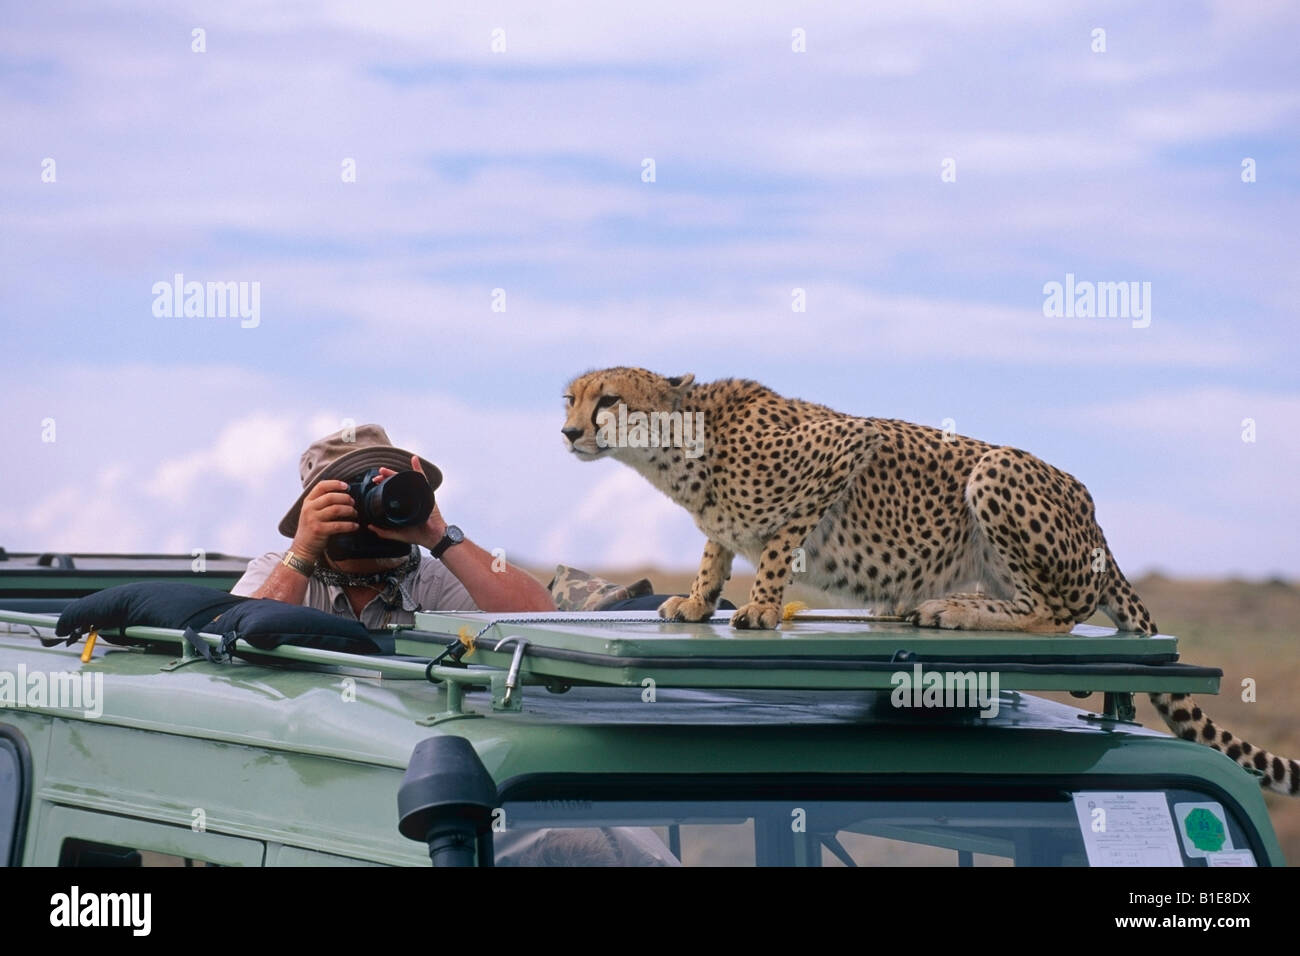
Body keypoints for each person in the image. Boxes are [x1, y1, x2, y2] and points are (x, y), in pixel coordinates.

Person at [231, 424, 554, 625]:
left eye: (383, 487)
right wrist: (302, 551)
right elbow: (238, 637)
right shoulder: (278, 570)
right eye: (349, 492)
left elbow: (543, 621)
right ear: (312, 509)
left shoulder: (434, 581)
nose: (371, 506)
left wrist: (440, 537)